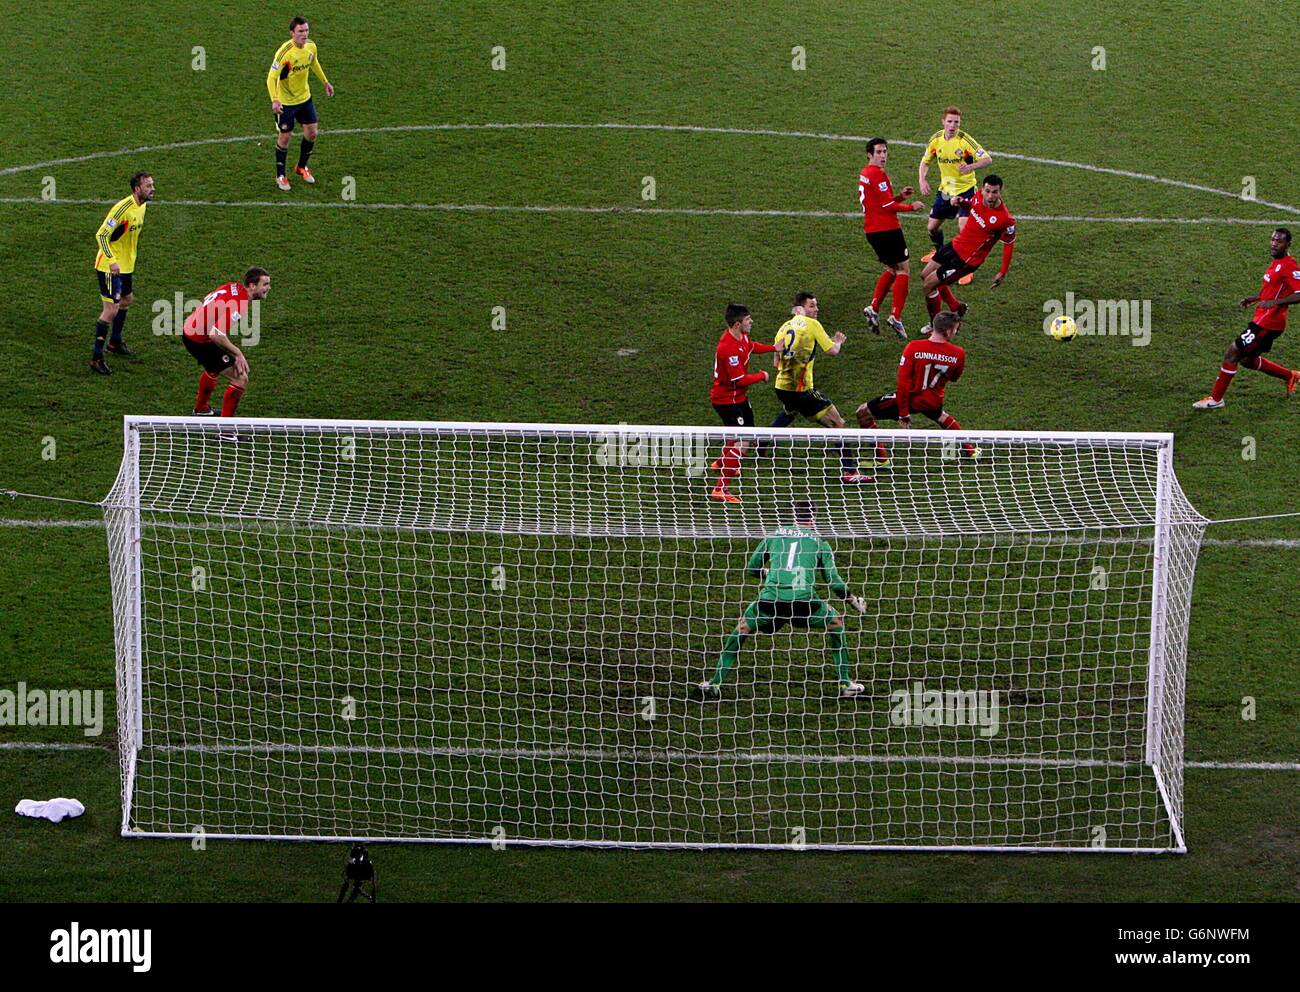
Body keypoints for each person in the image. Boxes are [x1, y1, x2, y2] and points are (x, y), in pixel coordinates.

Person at [697, 500, 868, 700]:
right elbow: (833, 581)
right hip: (804, 602)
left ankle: (715, 682)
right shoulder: (820, 541)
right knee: (835, 622)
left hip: (771, 600)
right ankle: (846, 683)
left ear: (794, 516)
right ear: (813, 518)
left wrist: (767, 573)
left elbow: (752, 567)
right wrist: (852, 599)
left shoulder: (775, 534)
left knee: (742, 628)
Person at [1193, 227, 1300, 409]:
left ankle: (1216, 399)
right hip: (1263, 319)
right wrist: (1257, 298)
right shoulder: (1277, 263)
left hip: (1268, 323)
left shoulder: (1289, 266)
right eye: (1273, 239)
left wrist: (1274, 303)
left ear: (1288, 244)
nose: (1274, 244)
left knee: (1233, 352)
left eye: (1279, 241)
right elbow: (1274, 289)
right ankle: (1290, 375)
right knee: (1247, 360)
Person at [772, 293, 872, 483]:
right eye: (812, 306)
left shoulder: (783, 327)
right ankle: (850, 472)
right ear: (802, 308)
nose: (816, 309)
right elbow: (833, 351)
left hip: (782, 387)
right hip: (802, 391)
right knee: (838, 423)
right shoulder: (812, 325)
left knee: (791, 410)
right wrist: (839, 341)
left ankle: (761, 442)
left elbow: (775, 361)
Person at [856, 311, 979, 463]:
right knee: (941, 416)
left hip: (911, 398)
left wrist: (903, 413)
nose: (955, 333)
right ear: (948, 332)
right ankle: (970, 450)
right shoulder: (958, 353)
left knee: (863, 412)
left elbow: (903, 382)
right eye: (956, 330)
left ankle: (881, 460)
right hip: (933, 399)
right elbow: (954, 378)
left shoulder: (913, 347)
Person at [918, 176, 1015, 327]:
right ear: (982, 189)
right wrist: (962, 203)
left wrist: (1002, 272)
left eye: (995, 192)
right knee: (924, 276)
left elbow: (1009, 243)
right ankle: (957, 307)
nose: (990, 196)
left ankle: (934, 326)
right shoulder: (977, 196)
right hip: (955, 245)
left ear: (1000, 192)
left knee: (929, 285)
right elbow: (972, 207)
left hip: (966, 260)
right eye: (988, 191)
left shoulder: (1004, 219)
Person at [709, 303, 777, 503]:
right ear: (738, 324)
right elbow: (738, 379)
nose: (752, 321)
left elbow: (751, 346)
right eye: (748, 320)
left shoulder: (741, 337)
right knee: (743, 442)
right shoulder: (727, 348)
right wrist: (761, 375)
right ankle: (720, 488)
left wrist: (774, 347)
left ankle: (722, 462)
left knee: (747, 431)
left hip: (739, 398)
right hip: (726, 400)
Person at [182, 268, 272, 417]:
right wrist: (238, 354)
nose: (268, 288)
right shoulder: (240, 303)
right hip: (199, 340)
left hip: (190, 331)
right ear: (252, 286)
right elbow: (216, 334)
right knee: (240, 378)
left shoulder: (233, 286)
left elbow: (207, 298)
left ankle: (201, 409)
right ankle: (227, 430)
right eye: (265, 284)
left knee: (213, 367)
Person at [860, 138, 926, 338]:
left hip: (872, 231)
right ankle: (896, 316)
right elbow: (887, 207)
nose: (883, 156)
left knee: (891, 268)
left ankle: (874, 307)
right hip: (887, 229)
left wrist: (900, 197)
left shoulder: (865, 173)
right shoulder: (877, 175)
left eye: (885, 152)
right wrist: (910, 206)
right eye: (879, 152)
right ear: (869, 154)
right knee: (904, 270)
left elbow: (883, 202)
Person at [89, 172, 154, 375]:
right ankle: (96, 357)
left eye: (152, 185)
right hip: (110, 267)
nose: (153, 189)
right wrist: (112, 261)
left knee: (127, 299)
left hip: (126, 266)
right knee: (111, 309)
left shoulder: (142, 206)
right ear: (137, 189)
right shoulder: (122, 209)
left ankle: (115, 342)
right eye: (148, 186)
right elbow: (101, 235)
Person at [267, 16, 335, 190]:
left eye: (306, 30)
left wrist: (325, 81)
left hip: (305, 99)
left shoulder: (311, 46)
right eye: (301, 31)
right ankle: (280, 176)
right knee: (285, 137)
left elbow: (314, 62)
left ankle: (301, 167)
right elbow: (271, 77)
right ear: (292, 33)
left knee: (312, 133)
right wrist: (275, 99)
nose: (305, 34)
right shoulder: (285, 53)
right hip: (286, 103)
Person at [918, 106, 991, 258]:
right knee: (932, 228)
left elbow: (987, 159)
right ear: (943, 122)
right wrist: (922, 179)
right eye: (950, 121)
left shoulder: (965, 141)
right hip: (946, 190)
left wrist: (971, 166)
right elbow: (925, 162)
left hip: (966, 190)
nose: (953, 125)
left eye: (956, 122)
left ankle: (964, 263)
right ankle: (939, 253)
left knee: (964, 229)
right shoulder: (936, 140)